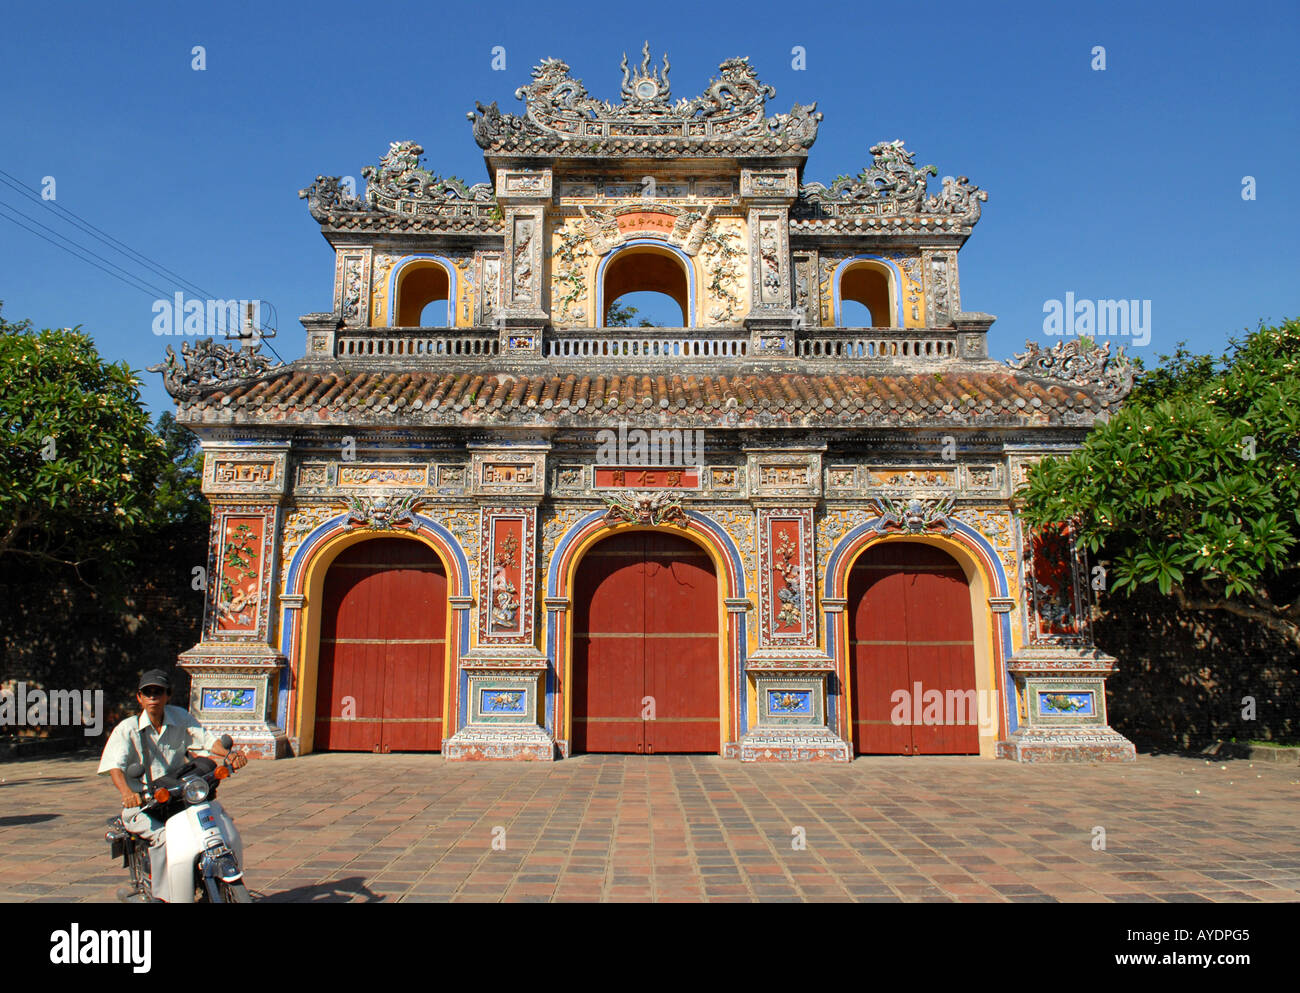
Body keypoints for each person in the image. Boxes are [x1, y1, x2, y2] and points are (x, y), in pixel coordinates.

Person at [98, 669, 247, 900]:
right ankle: (163, 895)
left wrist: (230, 754)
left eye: (158, 692)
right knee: (165, 839)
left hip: (179, 797)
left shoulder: (180, 717)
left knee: (219, 822)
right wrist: (128, 793)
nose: (153, 697)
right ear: (139, 697)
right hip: (145, 803)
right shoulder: (127, 729)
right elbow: (114, 766)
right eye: (147, 692)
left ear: (168, 695)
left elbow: (206, 740)